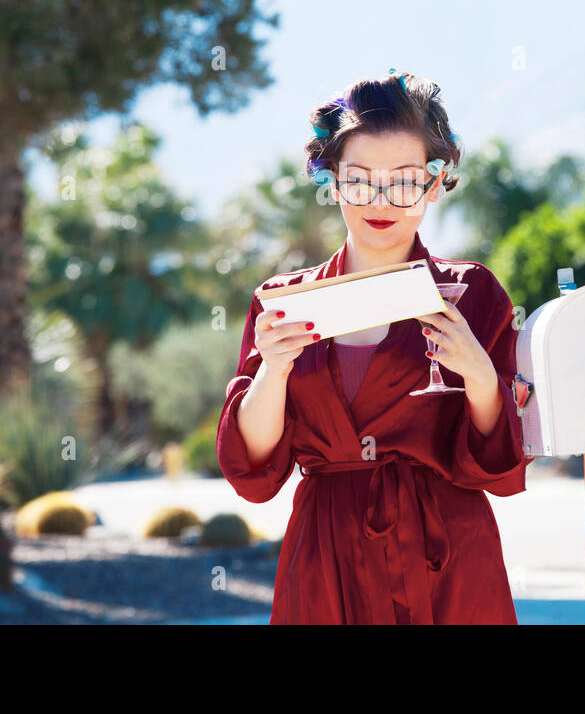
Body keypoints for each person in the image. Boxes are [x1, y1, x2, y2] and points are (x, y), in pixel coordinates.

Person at [216, 68, 530, 624]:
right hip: (325, 557)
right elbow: (256, 471)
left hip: (449, 559)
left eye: (406, 180)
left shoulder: (471, 291)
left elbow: (499, 467)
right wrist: (273, 369)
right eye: (358, 179)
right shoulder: (282, 302)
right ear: (331, 181)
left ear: (435, 184)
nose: (380, 200)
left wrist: (480, 376)